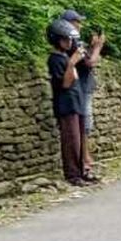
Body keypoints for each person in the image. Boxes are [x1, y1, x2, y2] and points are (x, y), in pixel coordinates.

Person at [61, 9, 104, 180]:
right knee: (84, 124)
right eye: (77, 22)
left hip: (82, 87)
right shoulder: (72, 43)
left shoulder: (74, 42)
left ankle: (84, 160)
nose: (80, 25)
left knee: (84, 124)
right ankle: (84, 160)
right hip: (81, 88)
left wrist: (92, 46)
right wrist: (99, 47)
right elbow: (90, 62)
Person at [45, 19, 89, 186]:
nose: (69, 43)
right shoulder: (56, 59)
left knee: (79, 140)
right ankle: (73, 174)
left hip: (76, 103)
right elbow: (64, 83)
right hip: (66, 105)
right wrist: (72, 63)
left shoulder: (65, 56)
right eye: (66, 39)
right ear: (57, 40)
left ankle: (82, 171)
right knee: (71, 140)